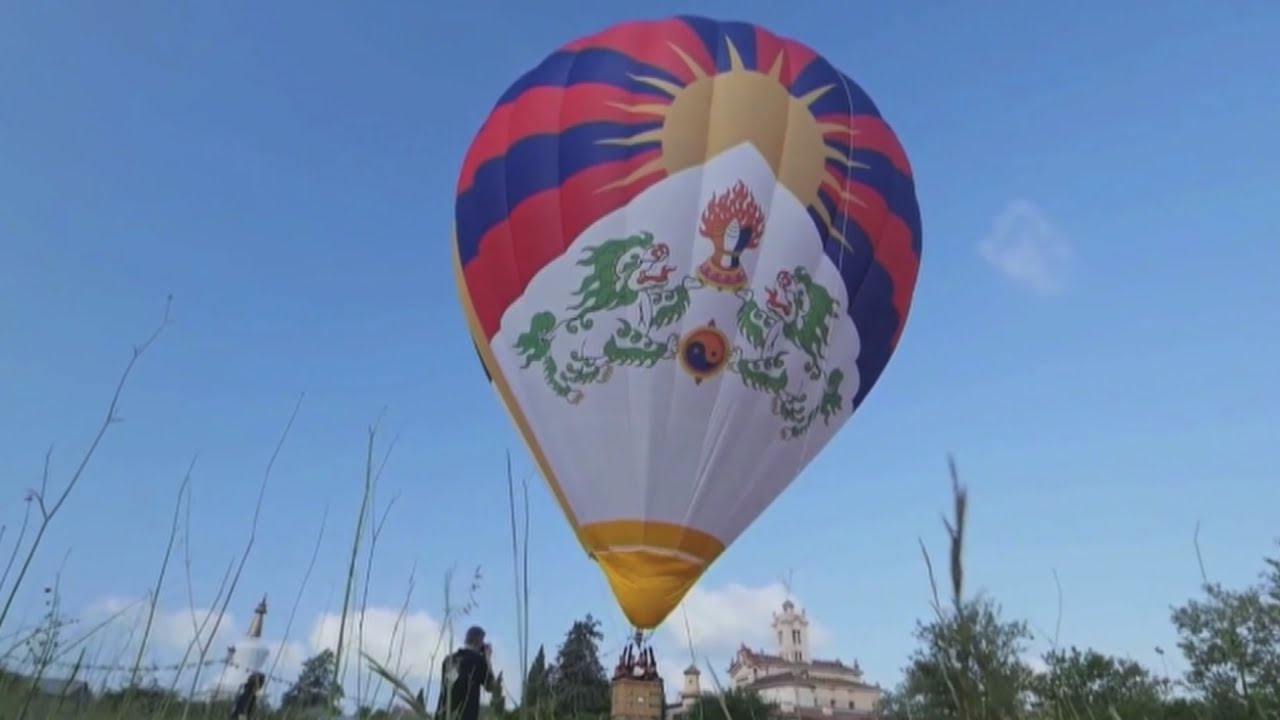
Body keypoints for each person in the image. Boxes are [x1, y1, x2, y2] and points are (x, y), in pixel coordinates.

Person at [437, 625, 499, 720]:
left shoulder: (449, 660)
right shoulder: (479, 661)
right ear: (480, 642)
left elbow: (450, 683)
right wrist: (487, 658)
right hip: (466, 716)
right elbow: (491, 687)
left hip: (444, 715)